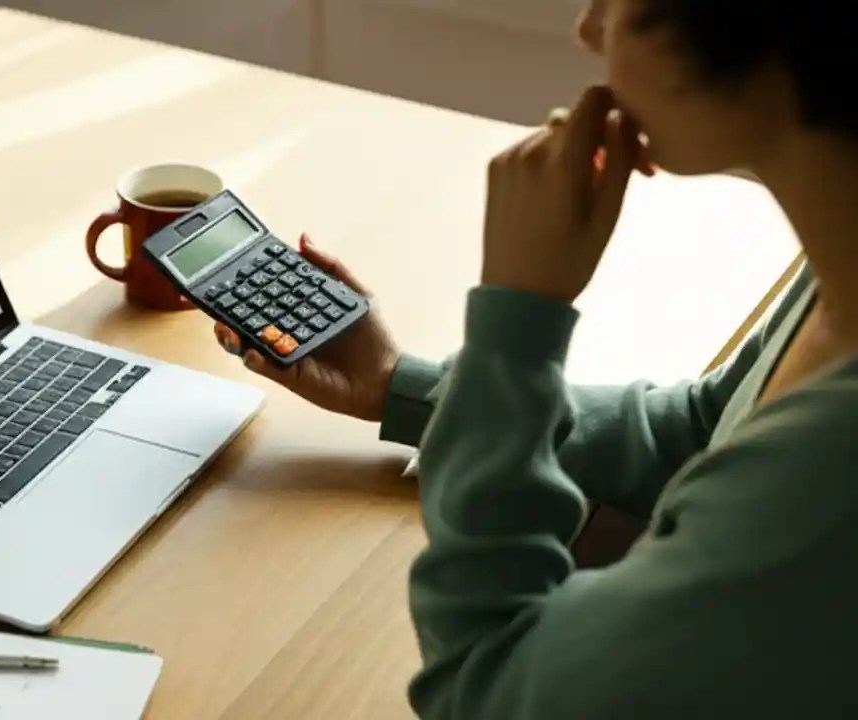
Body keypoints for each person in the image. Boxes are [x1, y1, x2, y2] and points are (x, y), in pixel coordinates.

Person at [215, 1, 858, 717]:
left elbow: (484, 684)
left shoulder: (829, 482)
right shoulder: (839, 266)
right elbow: (706, 432)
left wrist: (517, 316)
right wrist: (411, 387)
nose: (587, 29)